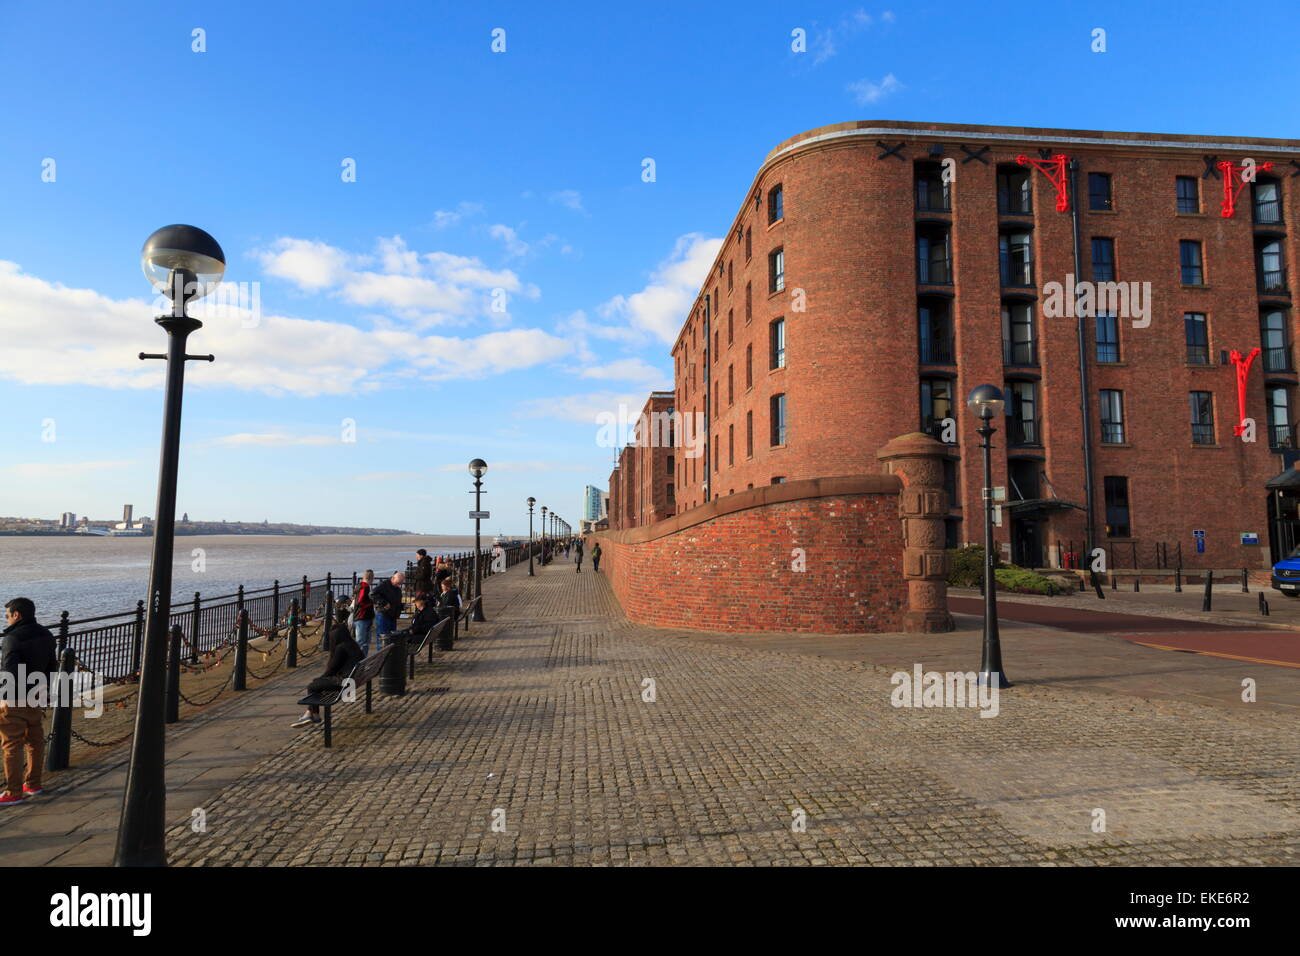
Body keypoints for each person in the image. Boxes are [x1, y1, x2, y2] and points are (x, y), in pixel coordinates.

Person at [0, 597, 59, 805]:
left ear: (17, 614)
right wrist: (44, 692)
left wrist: (5, 699)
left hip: (15, 699)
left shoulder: (11, 639)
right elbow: (52, 667)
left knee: (11, 745)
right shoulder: (46, 635)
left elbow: (10, 672)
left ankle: (13, 792)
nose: (6, 619)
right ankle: (33, 784)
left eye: (7, 615)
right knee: (34, 741)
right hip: (36, 696)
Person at [291, 606, 363, 728]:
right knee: (317, 683)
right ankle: (312, 715)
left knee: (313, 686)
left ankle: (312, 714)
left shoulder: (341, 648)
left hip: (346, 684)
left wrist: (320, 679)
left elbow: (331, 670)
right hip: (354, 680)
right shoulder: (353, 645)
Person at [373, 571, 405, 645]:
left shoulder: (397, 589)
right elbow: (372, 594)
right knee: (382, 639)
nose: (398, 585)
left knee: (391, 639)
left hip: (393, 616)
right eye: (398, 583)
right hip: (383, 615)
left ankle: (389, 655)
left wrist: (402, 606)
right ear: (393, 578)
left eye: (400, 583)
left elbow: (396, 602)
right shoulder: (384, 585)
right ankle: (381, 656)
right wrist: (383, 603)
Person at [353, 570, 375, 655]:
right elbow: (360, 601)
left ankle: (362, 660)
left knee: (364, 642)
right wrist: (371, 602)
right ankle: (359, 661)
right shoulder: (365, 587)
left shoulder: (359, 586)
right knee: (362, 642)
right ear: (371, 578)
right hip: (362, 617)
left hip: (361, 617)